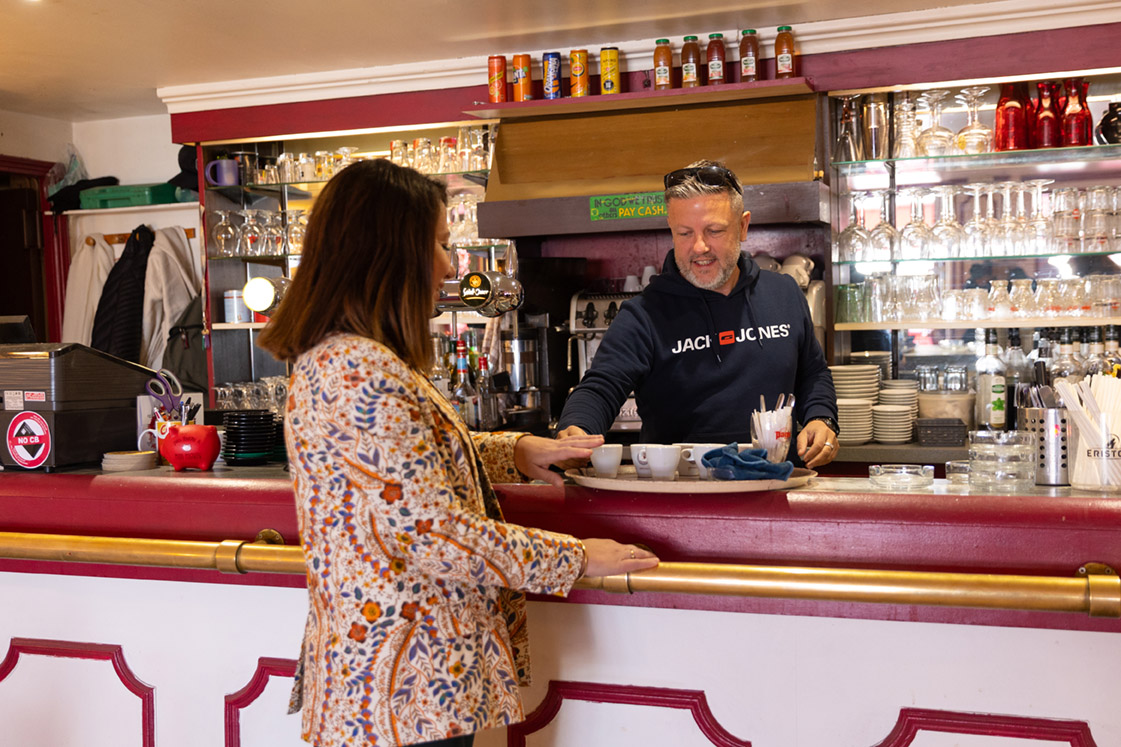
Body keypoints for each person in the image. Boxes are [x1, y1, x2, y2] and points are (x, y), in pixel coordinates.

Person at [257, 159, 658, 747]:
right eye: (441, 245)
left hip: (394, 685)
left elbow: (403, 470)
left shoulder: (345, 359)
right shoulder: (358, 369)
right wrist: (575, 559)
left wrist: (515, 452)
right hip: (401, 687)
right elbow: (431, 532)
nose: (451, 263)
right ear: (389, 254)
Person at [556, 160, 839, 469]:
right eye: (684, 233)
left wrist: (821, 418)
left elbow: (813, 373)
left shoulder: (784, 293)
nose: (699, 247)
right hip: (683, 495)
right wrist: (577, 427)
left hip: (776, 486)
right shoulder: (644, 314)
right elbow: (602, 386)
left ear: (743, 226)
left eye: (714, 231)